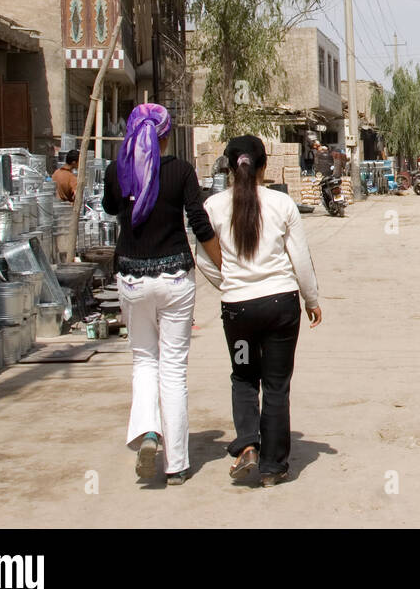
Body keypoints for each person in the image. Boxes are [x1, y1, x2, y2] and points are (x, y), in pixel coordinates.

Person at [103, 103, 221, 485]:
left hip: (132, 278)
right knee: (173, 368)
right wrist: (224, 267)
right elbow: (199, 223)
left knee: (143, 361)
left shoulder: (116, 172)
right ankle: (177, 464)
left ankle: (148, 432)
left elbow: (109, 209)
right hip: (174, 279)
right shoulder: (182, 171)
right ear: (166, 135)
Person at [196, 135, 321, 488]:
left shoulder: (214, 206)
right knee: (277, 384)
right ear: (264, 166)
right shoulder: (282, 204)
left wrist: (228, 285)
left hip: (238, 312)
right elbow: (300, 260)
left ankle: (248, 444)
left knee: (244, 375)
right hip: (281, 306)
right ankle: (273, 468)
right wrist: (311, 300)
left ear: (230, 167)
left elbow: (202, 257)